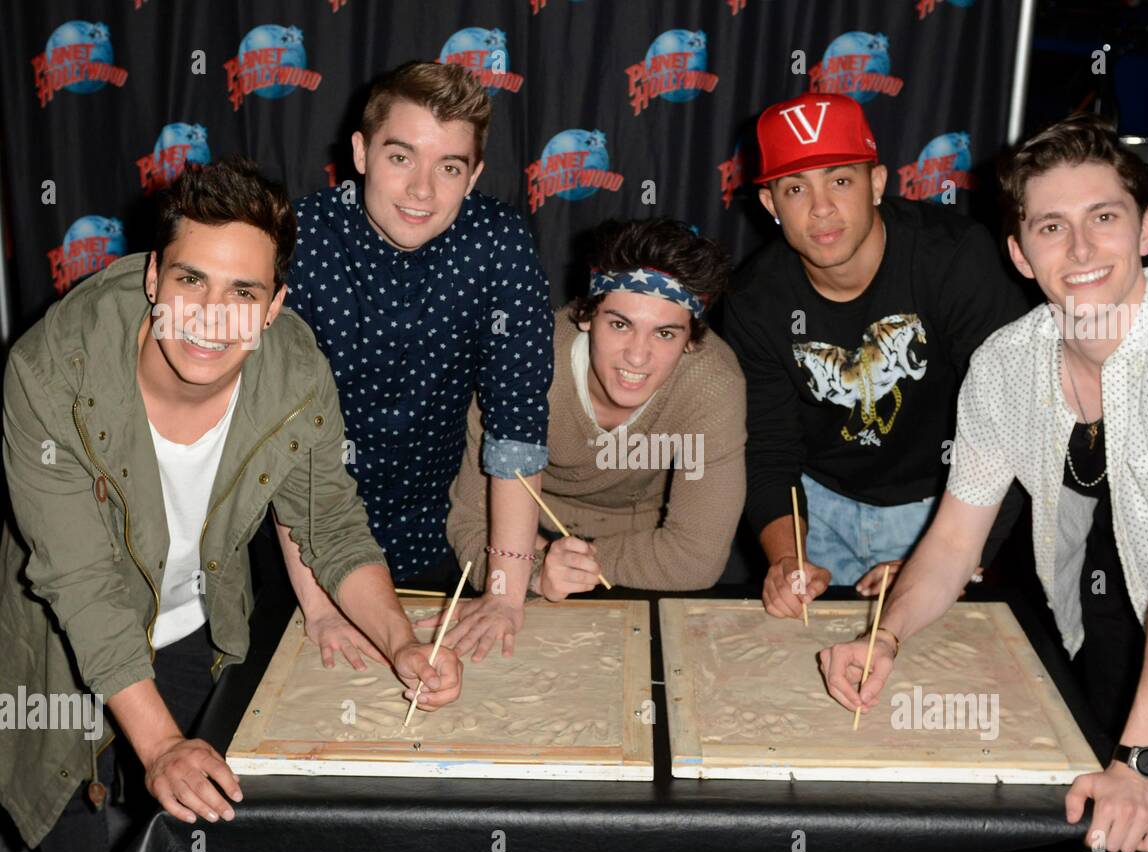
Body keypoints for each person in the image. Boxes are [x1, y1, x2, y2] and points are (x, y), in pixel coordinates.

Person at [817, 113, 1148, 852]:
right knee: (1103, 809)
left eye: (1102, 218)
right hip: (1109, 575)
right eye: (1050, 227)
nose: (1079, 251)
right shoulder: (1004, 365)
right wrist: (887, 637)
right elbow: (950, 543)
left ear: (1146, 229)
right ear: (1018, 252)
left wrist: (1144, 763)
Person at [0, 158, 460, 852]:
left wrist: (401, 640)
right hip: (60, 645)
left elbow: (332, 526)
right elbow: (79, 582)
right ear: (155, 278)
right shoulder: (50, 370)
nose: (211, 318)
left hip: (195, 626)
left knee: (199, 849)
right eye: (192, 282)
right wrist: (158, 745)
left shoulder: (295, 370)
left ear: (274, 303)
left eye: (242, 292)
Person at [281, 61, 552, 664]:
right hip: (296, 543)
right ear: (360, 152)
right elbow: (282, 439)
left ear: (474, 174)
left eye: (449, 167)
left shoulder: (500, 243)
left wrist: (506, 594)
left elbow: (517, 426)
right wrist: (320, 606)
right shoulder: (297, 240)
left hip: (439, 542)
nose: (422, 190)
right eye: (401, 157)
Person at [724, 92, 1026, 621]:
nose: (821, 208)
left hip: (945, 506)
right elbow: (769, 449)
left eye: (840, 180)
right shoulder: (755, 300)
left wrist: (952, 561)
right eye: (796, 188)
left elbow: (1015, 425)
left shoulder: (956, 260)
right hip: (816, 509)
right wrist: (788, 560)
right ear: (771, 205)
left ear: (878, 183)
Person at [446, 218, 743, 608]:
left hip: (640, 564)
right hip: (518, 547)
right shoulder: (525, 363)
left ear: (691, 341)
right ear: (586, 316)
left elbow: (695, 559)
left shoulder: (711, 384)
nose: (638, 355)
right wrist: (534, 569)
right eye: (620, 324)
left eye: (665, 333)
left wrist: (567, 563)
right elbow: (470, 525)